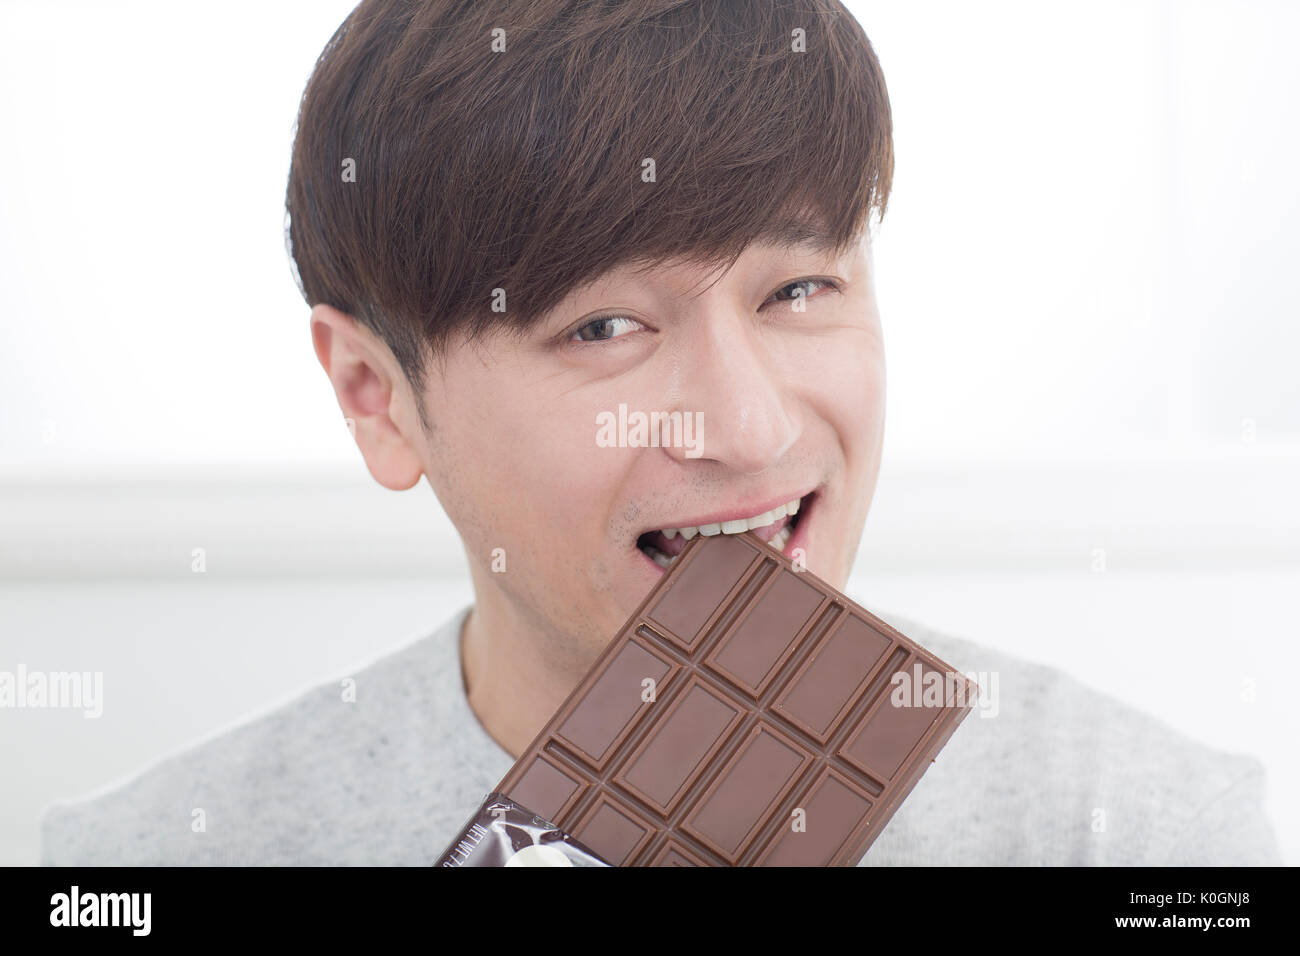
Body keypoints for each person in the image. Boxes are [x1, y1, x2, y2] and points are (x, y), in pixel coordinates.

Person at [40, 0, 1280, 866]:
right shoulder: (144, 859)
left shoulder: (1147, 828)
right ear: (377, 394)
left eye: (797, 291)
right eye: (603, 328)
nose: (748, 429)